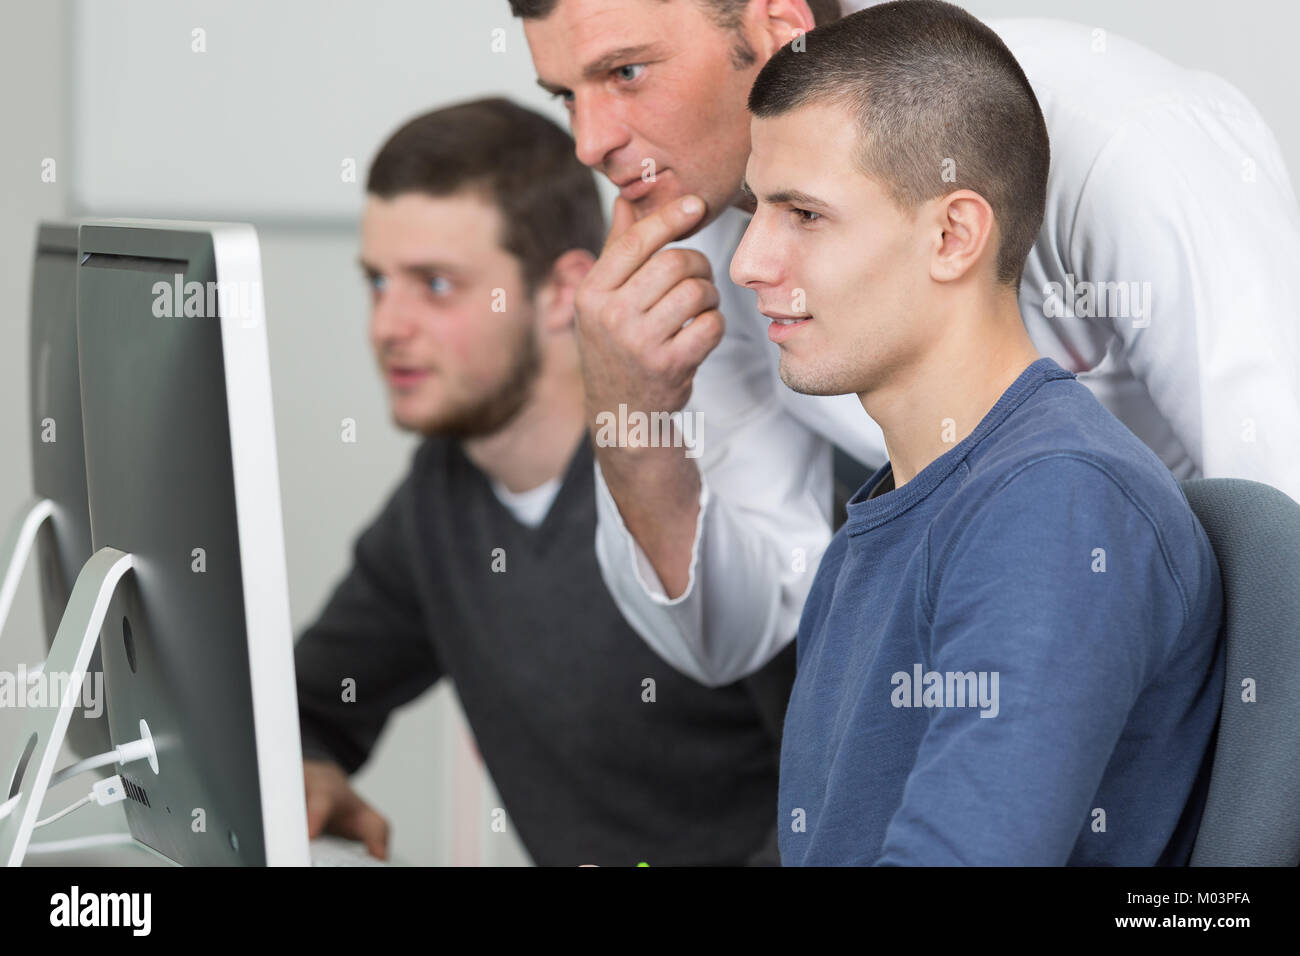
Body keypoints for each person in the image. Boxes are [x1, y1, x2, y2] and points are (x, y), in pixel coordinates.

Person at [511, 0, 1300, 687]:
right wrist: (630, 418)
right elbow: (734, 630)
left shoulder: (1122, 137)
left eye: (624, 73)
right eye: (564, 96)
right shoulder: (706, 254)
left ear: (779, 27)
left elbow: (1284, 501)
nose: (588, 143)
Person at [729, 0, 1223, 864]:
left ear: (954, 236)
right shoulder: (881, 526)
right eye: (756, 210)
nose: (748, 262)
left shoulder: (1057, 508)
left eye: (802, 214)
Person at [293, 97, 795, 866]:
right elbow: (313, 702)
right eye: (377, 283)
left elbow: (840, 794)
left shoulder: (715, 486)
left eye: (434, 285)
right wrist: (305, 768)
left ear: (563, 291)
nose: (388, 325)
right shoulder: (441, 496)